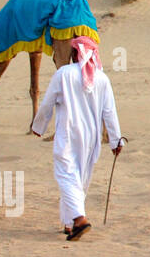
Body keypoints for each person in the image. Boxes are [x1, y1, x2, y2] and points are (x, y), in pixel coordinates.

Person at [30, 36, 124, 241]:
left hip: (68, 132)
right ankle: (69, 224)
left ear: (75, 54)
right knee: (80, 177)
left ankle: (80, 219)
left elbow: (47, 103)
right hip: (92, 137)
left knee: (66, 175)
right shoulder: (102, 79)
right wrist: (116, 141)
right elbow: (110, 112)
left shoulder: (63, 74)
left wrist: (38, 126)